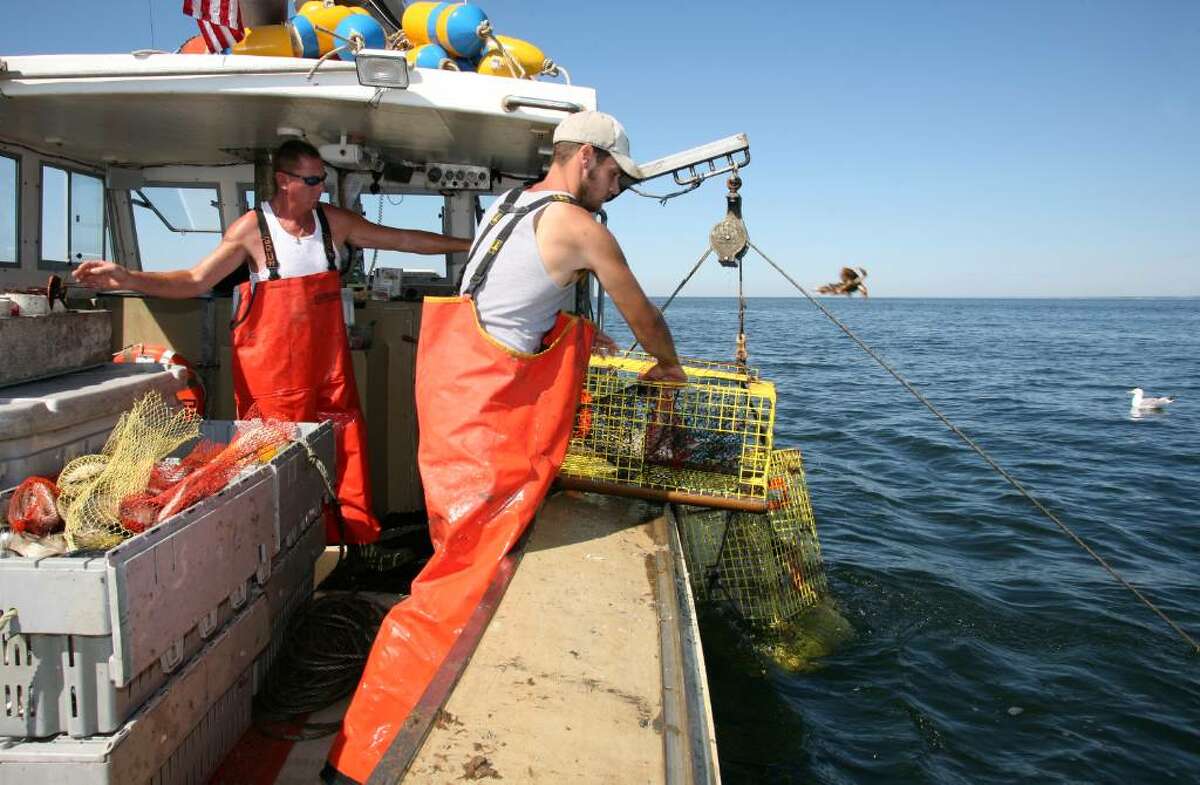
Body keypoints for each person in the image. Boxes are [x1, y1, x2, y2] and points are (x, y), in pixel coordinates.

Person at [326, 111, 686, 784]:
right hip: (485, 427)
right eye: (615, 175)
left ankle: (403, 720)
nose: (616, 189)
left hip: (454, 404)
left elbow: (505, 300)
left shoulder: (513, 203)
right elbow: (644, 313)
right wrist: (668, 363)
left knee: (454, 568)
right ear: (586, 157)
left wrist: (573, 331)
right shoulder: (579, 225)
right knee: (452, 588)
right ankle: (362, 756)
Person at [73, 140, 470, 546]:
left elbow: (402, 239)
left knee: (344, 444)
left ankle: (348, 540)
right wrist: (129, 278)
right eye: (313, 181)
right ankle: (284, 548)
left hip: (329, 371)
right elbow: (195, 281)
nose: (321, 189)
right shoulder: (250, 230)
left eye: (323, 180)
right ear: (284, 181)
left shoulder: (334, 222)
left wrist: (466, 245)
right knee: (275, 457)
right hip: (273, 378)